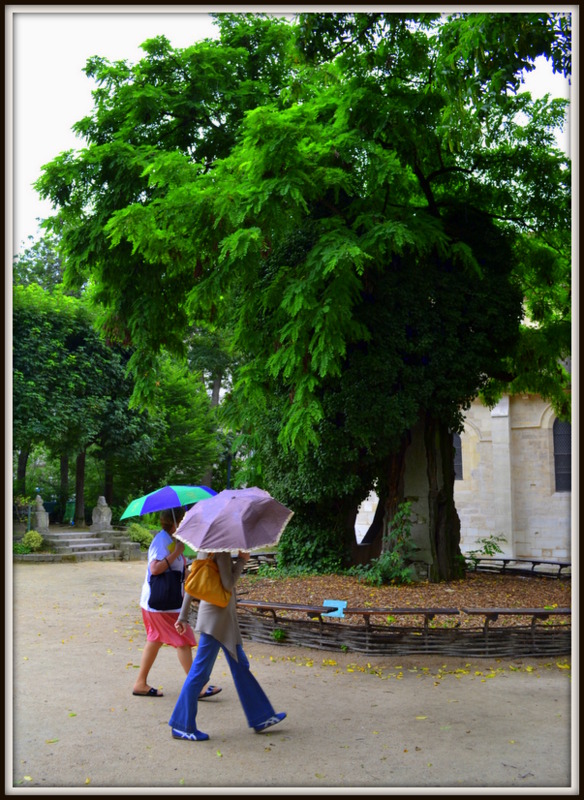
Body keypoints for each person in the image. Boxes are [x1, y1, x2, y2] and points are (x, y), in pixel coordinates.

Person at [169, 550, 287, 741]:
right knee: (200, 673)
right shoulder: (221, 552)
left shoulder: (205, 549)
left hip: (219, 619)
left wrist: (183, 616)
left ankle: (262, 717)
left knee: (240, 667)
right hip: (217, 622)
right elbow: (228, 584)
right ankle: (181, 725)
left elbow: (193, 583)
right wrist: (241, 561)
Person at [133, 507, 221, 700]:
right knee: (183, 639)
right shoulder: (162, 541)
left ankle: (140, 683)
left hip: (159, 603)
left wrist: (197, 580)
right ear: (175, 522)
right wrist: (176, 553)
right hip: (162, 604)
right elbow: (155, 569)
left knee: (155, 639)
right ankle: (198, 686)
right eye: (183, 520)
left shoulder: (172, 540)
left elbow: (178, 571)